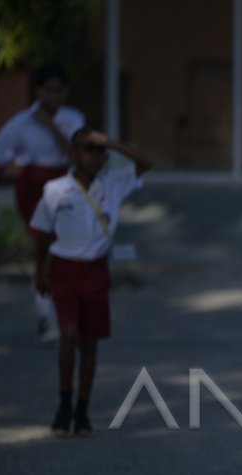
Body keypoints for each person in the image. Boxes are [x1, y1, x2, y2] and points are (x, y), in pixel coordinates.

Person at [30, 127, 152, 437]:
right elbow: (43, 234)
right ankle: (64, 404)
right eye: (87, 148)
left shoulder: (113, 184)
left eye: (99, 150)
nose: (94, 155)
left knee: (90, 343)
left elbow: (145, 163)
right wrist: (39, 271)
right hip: (65, 270)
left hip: (97, 271)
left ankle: (83, 409)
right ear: (72, 153)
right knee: (68, 335)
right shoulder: (56, 189)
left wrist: (110, 141)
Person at [0, 62, 85, 344]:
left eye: (59, 91)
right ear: (37, 91)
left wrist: (50, 125)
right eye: (48, 90)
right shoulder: (20, 123)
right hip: (34, 190)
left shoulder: (73, 117)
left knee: (68, 249)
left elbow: (76, 154)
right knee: (46, 246)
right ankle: (46, 313)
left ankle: (64, 309)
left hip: (65, 185)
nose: (54, 96)